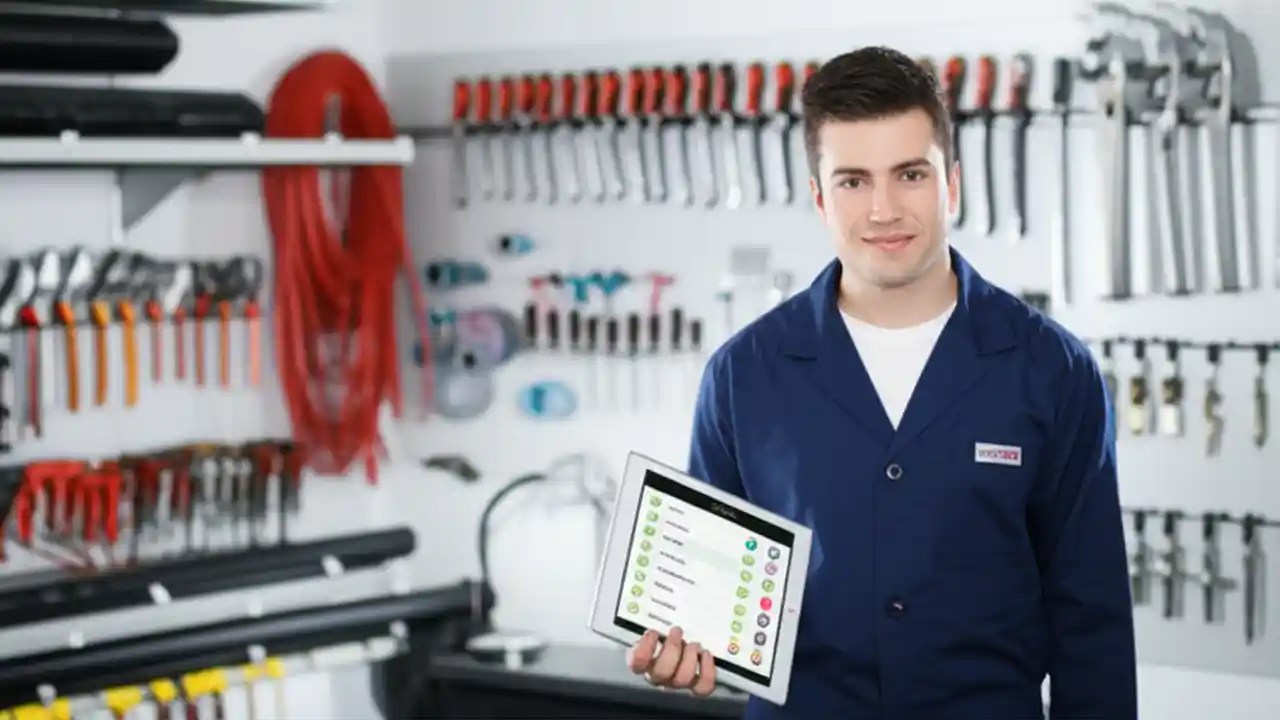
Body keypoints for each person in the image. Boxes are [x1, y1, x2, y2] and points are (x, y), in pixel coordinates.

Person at [625, 46, 1138, 719]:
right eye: (853, 181)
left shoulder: (1052, 371)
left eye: (910, 174)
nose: (884, 209)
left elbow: (1090, 621)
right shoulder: (743, 374)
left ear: (951, 181)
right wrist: (683, 651)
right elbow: (705, 601)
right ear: (818, 197)